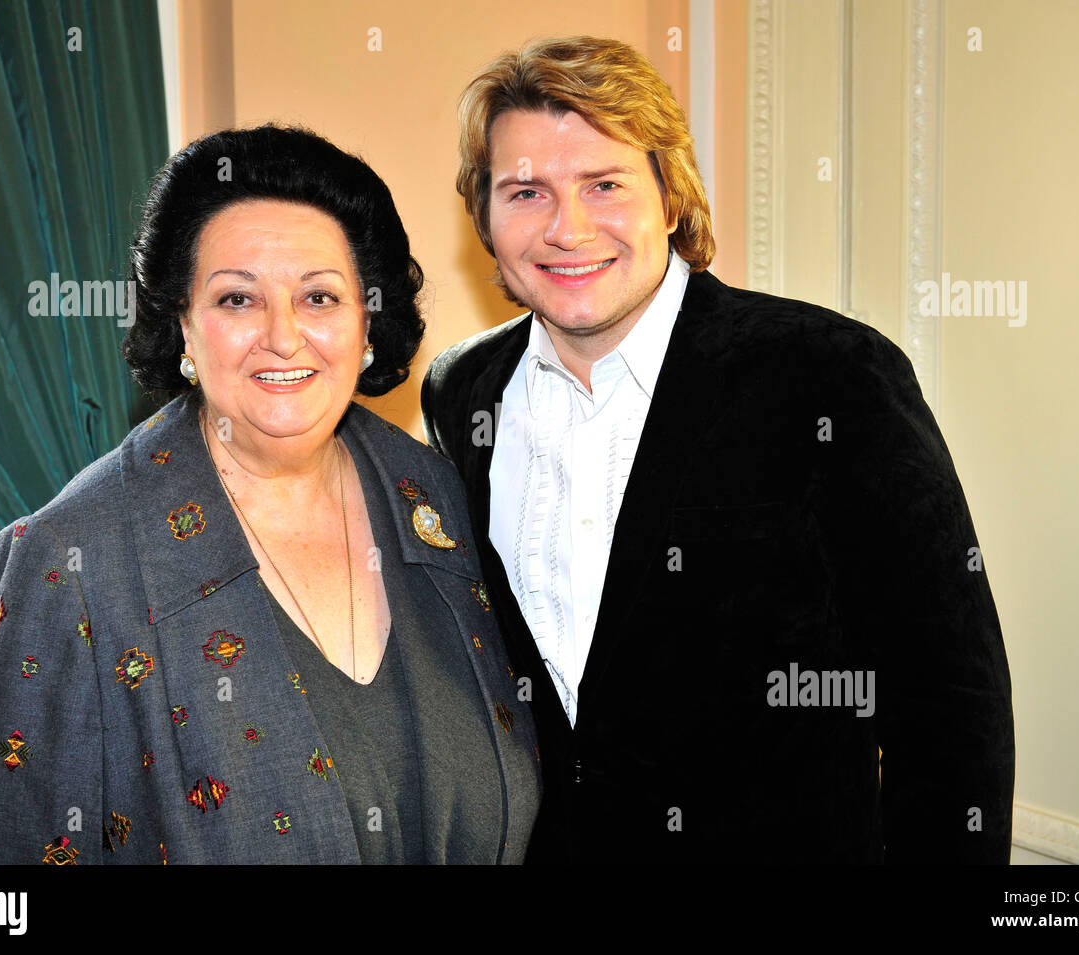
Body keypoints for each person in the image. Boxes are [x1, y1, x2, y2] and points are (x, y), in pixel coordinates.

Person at [0, 125, 539, 865]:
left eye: (319, 296)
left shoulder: (440, 503)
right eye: (237, 299)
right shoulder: (67, 569)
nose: (283, 337)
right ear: (183, 328)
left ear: (368, 326)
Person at [421, 36, 1015, 864]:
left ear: (670, 196)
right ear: (485, 214)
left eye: (604, 183)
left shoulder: (827, 374)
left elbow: (951, 699)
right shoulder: (461, 391)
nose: (568, 227)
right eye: (526, 191)